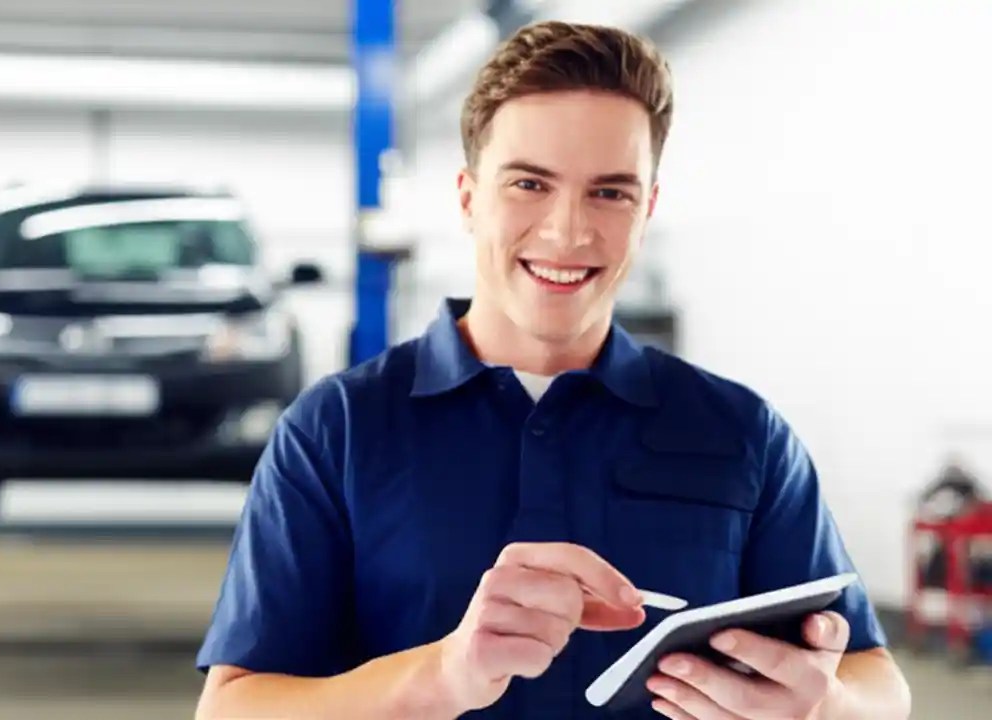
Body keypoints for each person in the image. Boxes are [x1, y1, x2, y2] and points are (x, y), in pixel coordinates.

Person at [194, 20, 911, 720]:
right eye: (530, 185)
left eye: (610, 192)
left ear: (647, 207)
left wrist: (827, 706)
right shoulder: (337, 430)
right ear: (470, 197)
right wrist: (442, 677)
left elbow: (881, 685)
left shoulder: (742, 432)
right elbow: (233, 706)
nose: (568, 231)